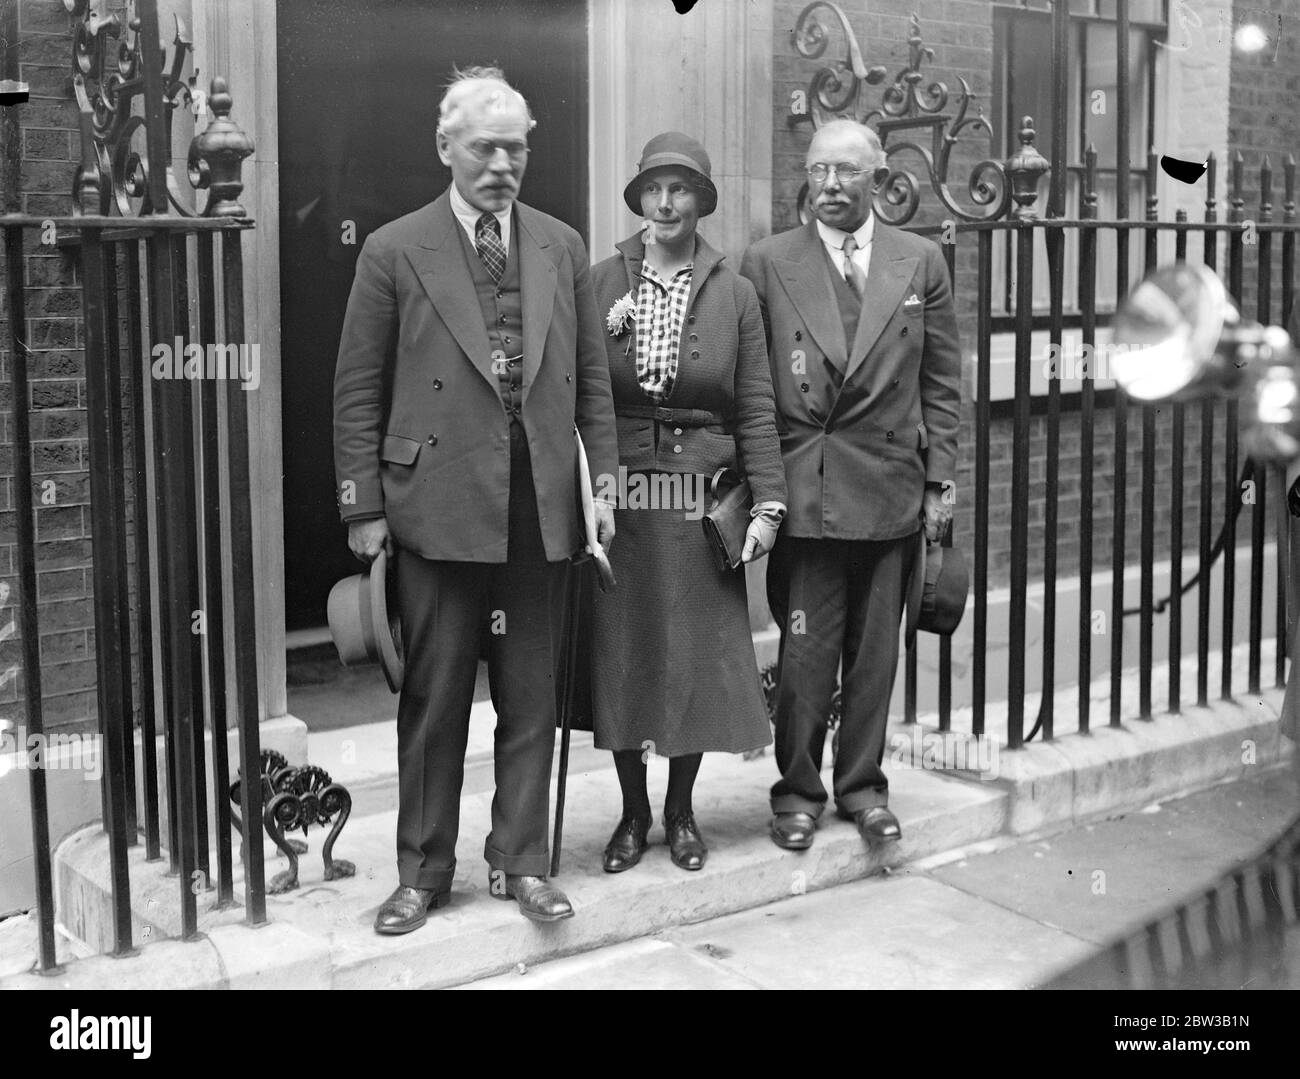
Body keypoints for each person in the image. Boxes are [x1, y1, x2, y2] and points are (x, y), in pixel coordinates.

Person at [333, 66, 618, 932]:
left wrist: (600, 486)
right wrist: (363, 507)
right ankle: (422, 871)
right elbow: (355, 385)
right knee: (436, 699)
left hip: (539, 504)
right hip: (435, 505)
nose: (502, 163)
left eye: (517, 147)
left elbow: (592, 385)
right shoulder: (392, 247)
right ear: (445, 146)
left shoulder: (562, 246)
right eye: (485, 146)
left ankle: (522, 861)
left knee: (532, 693)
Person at [740, 119, 961, 852]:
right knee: (804, 653)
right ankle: (796, 791)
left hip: (892, 488)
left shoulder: (920, 260)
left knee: (875, 655)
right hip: (809, 490)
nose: (829, 186)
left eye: (845, 172)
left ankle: (862, 787)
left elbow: (942, 382)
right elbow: (751, 385)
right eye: (817, 171)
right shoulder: (769, 260)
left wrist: (941, 483)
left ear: (878, 178)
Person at [589, 132, 787, 872]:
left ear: (700, 202)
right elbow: (588, 397)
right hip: (624, 497)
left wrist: (768, 505)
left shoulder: (734, 294)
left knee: (692, 655)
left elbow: (757, 407)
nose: (665, 202)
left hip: (702, 499)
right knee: (625, 651)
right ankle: (632, 812)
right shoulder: (601, 281)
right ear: (639, 197)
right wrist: (598, 488)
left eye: (681, 189)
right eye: (654, 188)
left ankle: (679, 811)